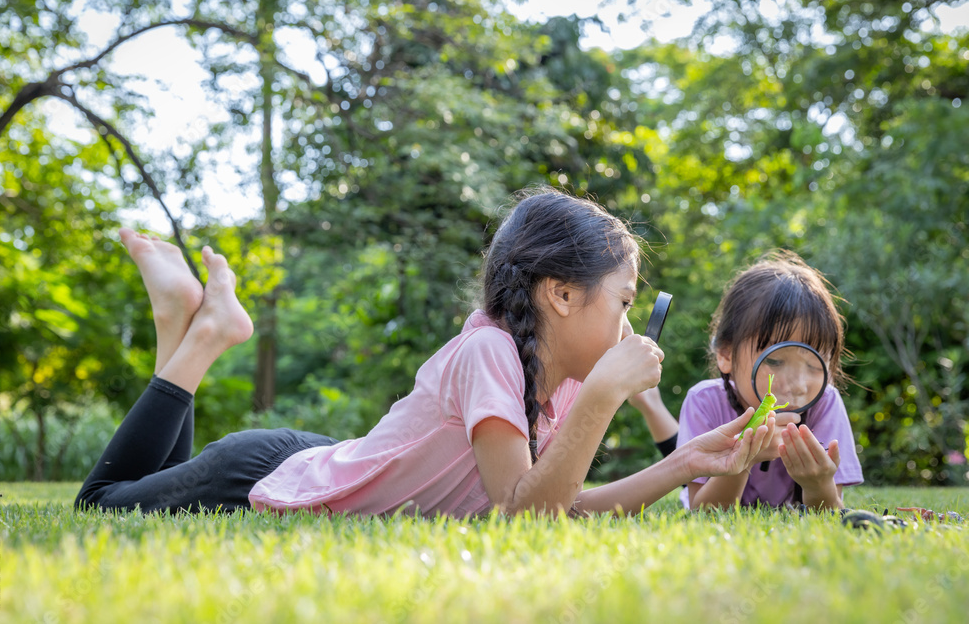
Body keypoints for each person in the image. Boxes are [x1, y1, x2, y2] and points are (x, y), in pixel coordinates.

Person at [75, 188, 778, 517]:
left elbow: (558, 504)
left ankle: (182, 322)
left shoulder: (554, 381)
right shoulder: (491, 352)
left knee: (141, 487)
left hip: (322, 457)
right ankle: (201, 336)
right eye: (624, 302)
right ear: (561, 295)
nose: (630, 325)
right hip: (267, 476)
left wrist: (687, 460)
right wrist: (604, 394)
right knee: (103, 505)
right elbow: (524, 514)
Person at [671, 251, 863, 510]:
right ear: (726, 354)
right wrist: (744, 458)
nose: (797, 384)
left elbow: (829, 512)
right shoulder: (704, 401)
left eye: (813, 363)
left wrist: (818, 485)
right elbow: (703, 511)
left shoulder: (824, 402)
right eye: (774, 361)